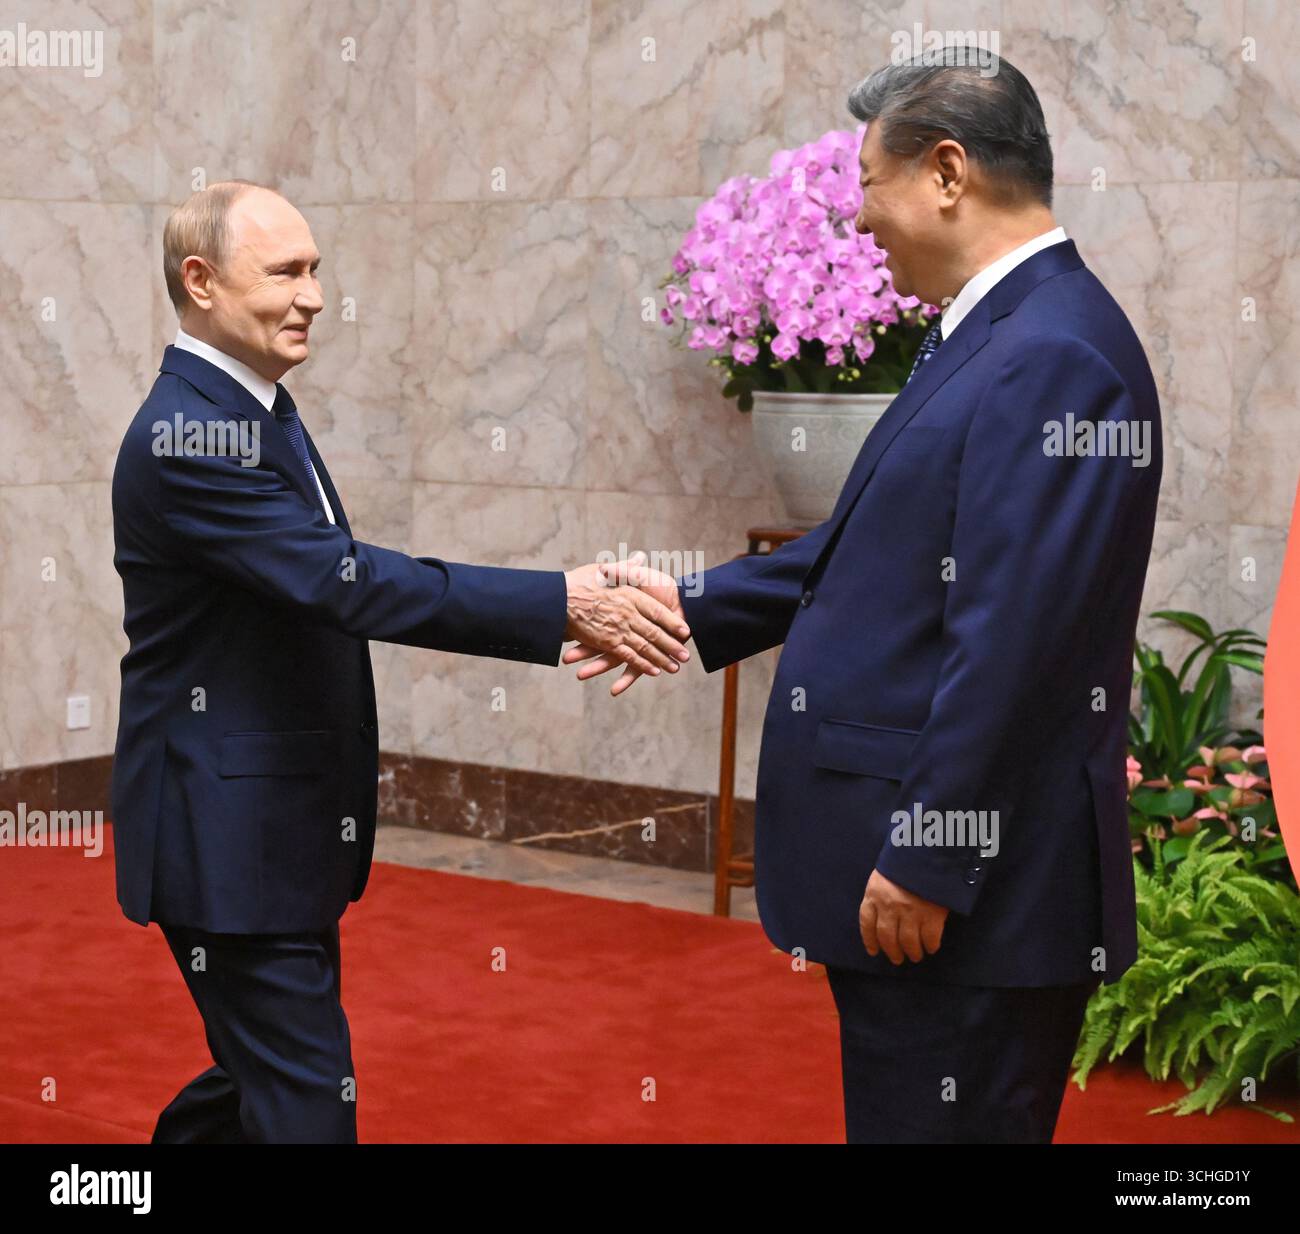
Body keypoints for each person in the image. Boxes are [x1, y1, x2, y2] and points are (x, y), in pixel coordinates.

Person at [566, 47, 1163, 1144]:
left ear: (947, 171)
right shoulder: (993, 334)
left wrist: (931, 847)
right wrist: (680, 607)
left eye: (867, 184)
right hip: (945, 892)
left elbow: (1013, 638)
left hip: (972, 897)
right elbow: (860, 553)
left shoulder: (1054, 356)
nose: (858, 219)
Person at [112, 180, 691, 1143]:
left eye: (317, 269)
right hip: (226, 832)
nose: (315, 296)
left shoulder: (251, 407)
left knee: (259, 1078)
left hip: (267, 824)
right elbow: (350, 585)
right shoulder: (190, 434)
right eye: (287, 272)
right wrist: (561, 604)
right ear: (201, 281)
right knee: (304, 1103)